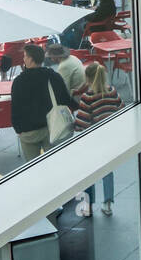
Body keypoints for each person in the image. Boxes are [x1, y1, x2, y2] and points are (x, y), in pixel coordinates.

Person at [10, 43, 78, 162]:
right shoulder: (52, 76)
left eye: (25, 56)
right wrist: (78, 106)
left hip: (28, 132)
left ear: (31, 59)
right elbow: (65, 99)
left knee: (33, 166)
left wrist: (18, 129)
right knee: (53, 163)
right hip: (51, 128)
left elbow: (15, 108)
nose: (23, 58)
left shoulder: (19, 82)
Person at [74, 63, 124, 216]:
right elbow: (121, 109)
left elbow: (81, 124)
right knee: (107, 172)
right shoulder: (112, 91)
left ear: (87, 79)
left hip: (94, 141)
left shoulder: (87, 97)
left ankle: (88, 206)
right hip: (110, 140)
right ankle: (107, 204)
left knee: (89, 173)